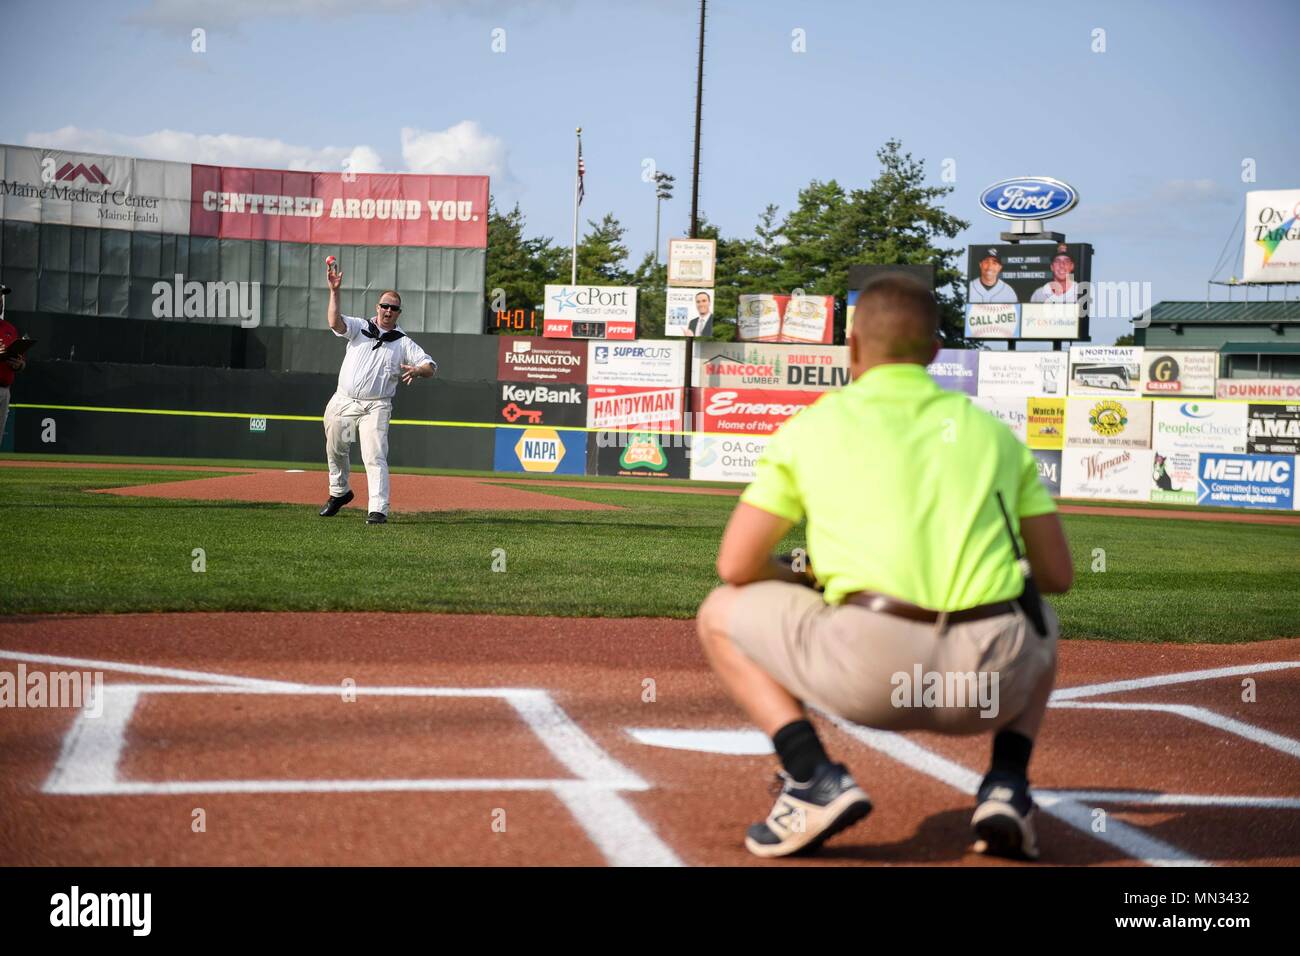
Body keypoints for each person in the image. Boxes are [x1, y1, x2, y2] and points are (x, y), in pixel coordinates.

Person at [695, 274, 1073, 861]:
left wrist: (802, 580)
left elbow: (736, 563)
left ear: (852, 348)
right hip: (985, 685)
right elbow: (1057, 576)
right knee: (1039, 612)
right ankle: (1007, 784)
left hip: (868, 676)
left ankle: (813, 778)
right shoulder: (995, 436)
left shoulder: (814, 425)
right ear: (933, 352)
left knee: (720, 610)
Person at [319, 260, 437, 525]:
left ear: (398, 313)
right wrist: (334, 291)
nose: (388, 310)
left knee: (374, 455)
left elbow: (430, 365)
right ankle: (339, 492)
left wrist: (418, 370)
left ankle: (378, 510)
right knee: (336, 449)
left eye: (393, 308)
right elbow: (334, 322)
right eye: (384, 306)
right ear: (377, 308)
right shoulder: (360, 327)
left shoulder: (403, 342)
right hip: (344, 401)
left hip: (376, 407)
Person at [0, 285, 27, 440]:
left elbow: (22, 361)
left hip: (4, 390)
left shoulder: (9, 328)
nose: (0, 300)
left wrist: (19, 364)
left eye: (1, 296)